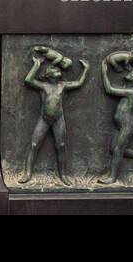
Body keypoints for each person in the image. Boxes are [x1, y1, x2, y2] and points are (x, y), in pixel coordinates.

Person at [18, 49, 89, 185]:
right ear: (48, 75)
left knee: (61, 146)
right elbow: (28, 80)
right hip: (44, 119)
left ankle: (63, 174)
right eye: (53, 69)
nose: (57, 69)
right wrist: (37, 64)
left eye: (57, 69)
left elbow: (79, 83)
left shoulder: (62, 85)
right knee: (34, 145)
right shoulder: (43, 86)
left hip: (58, 119)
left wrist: (86, 69)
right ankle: (27, 174)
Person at [98, 55, 133, 184]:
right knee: (113, 149)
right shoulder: (128, 89)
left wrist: (104, 71)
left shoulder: (132, 93)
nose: (131, 73)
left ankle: (112, 177)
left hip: (127, 125)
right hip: (120, 124)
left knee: (118, 150)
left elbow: (109, 89)